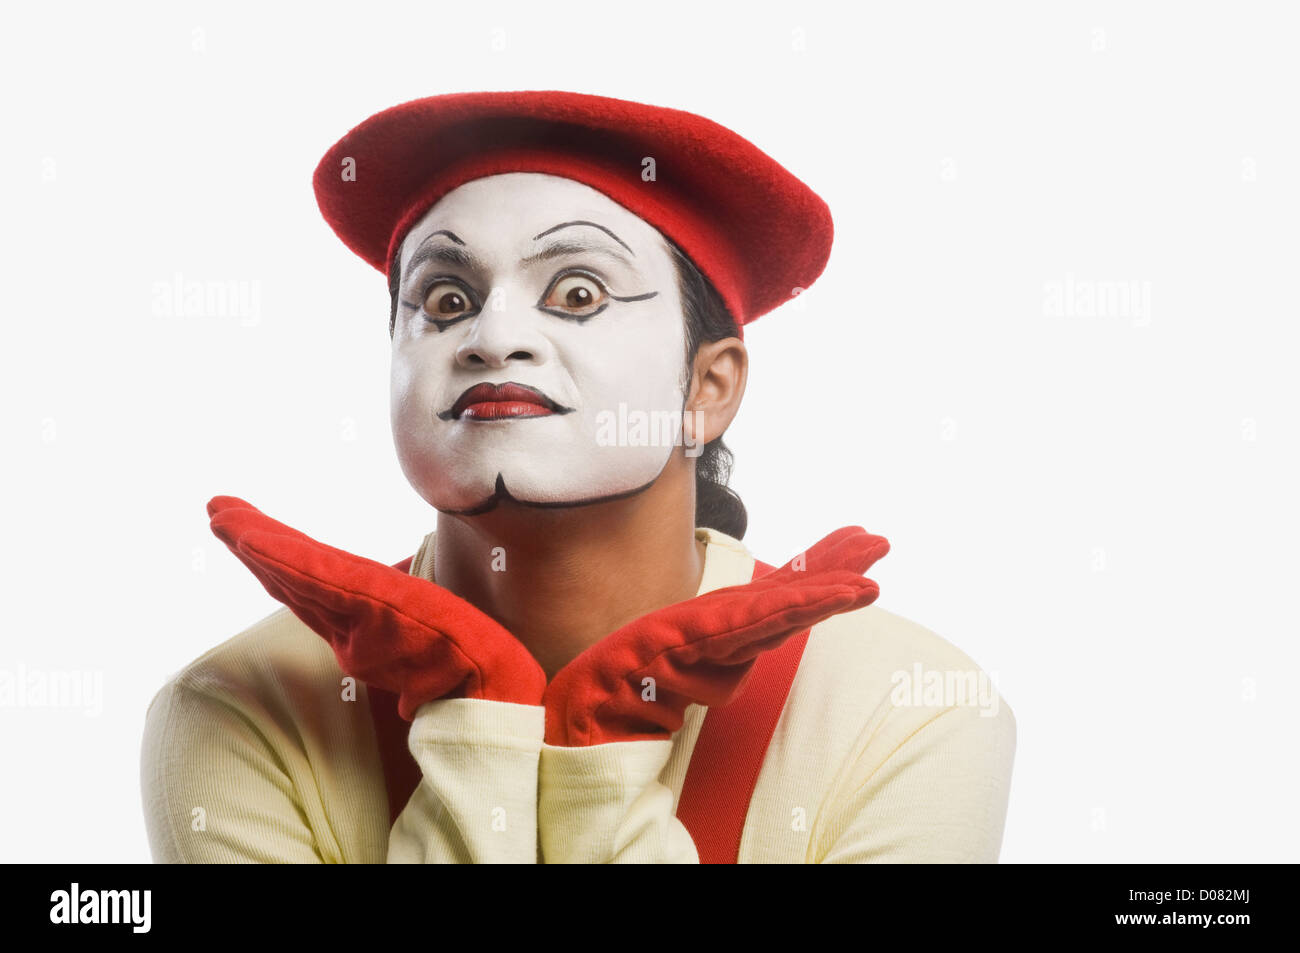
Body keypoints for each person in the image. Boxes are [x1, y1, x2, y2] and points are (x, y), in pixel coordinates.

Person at [140, 90, 1016, 863]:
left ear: (707, 388)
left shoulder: (910, 711)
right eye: (445, 299)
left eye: (578, 293)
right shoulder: (240, 710)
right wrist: (483, 710)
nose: (491, 335)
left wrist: (601, 742)